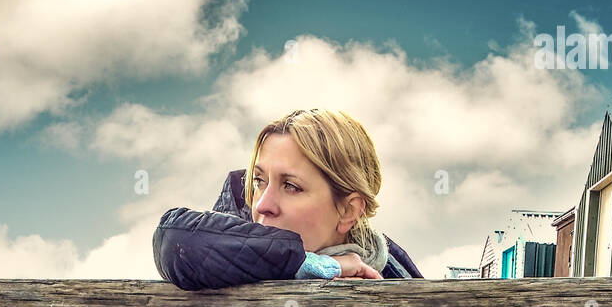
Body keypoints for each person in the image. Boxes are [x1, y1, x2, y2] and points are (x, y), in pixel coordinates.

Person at [152, 108, 422, 290]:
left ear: (348, 211)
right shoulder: (221, 240)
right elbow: (175, 240)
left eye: (291, 186)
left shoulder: (389, 267)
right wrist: (317, 265)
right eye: (259, 181)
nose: (262, 205)